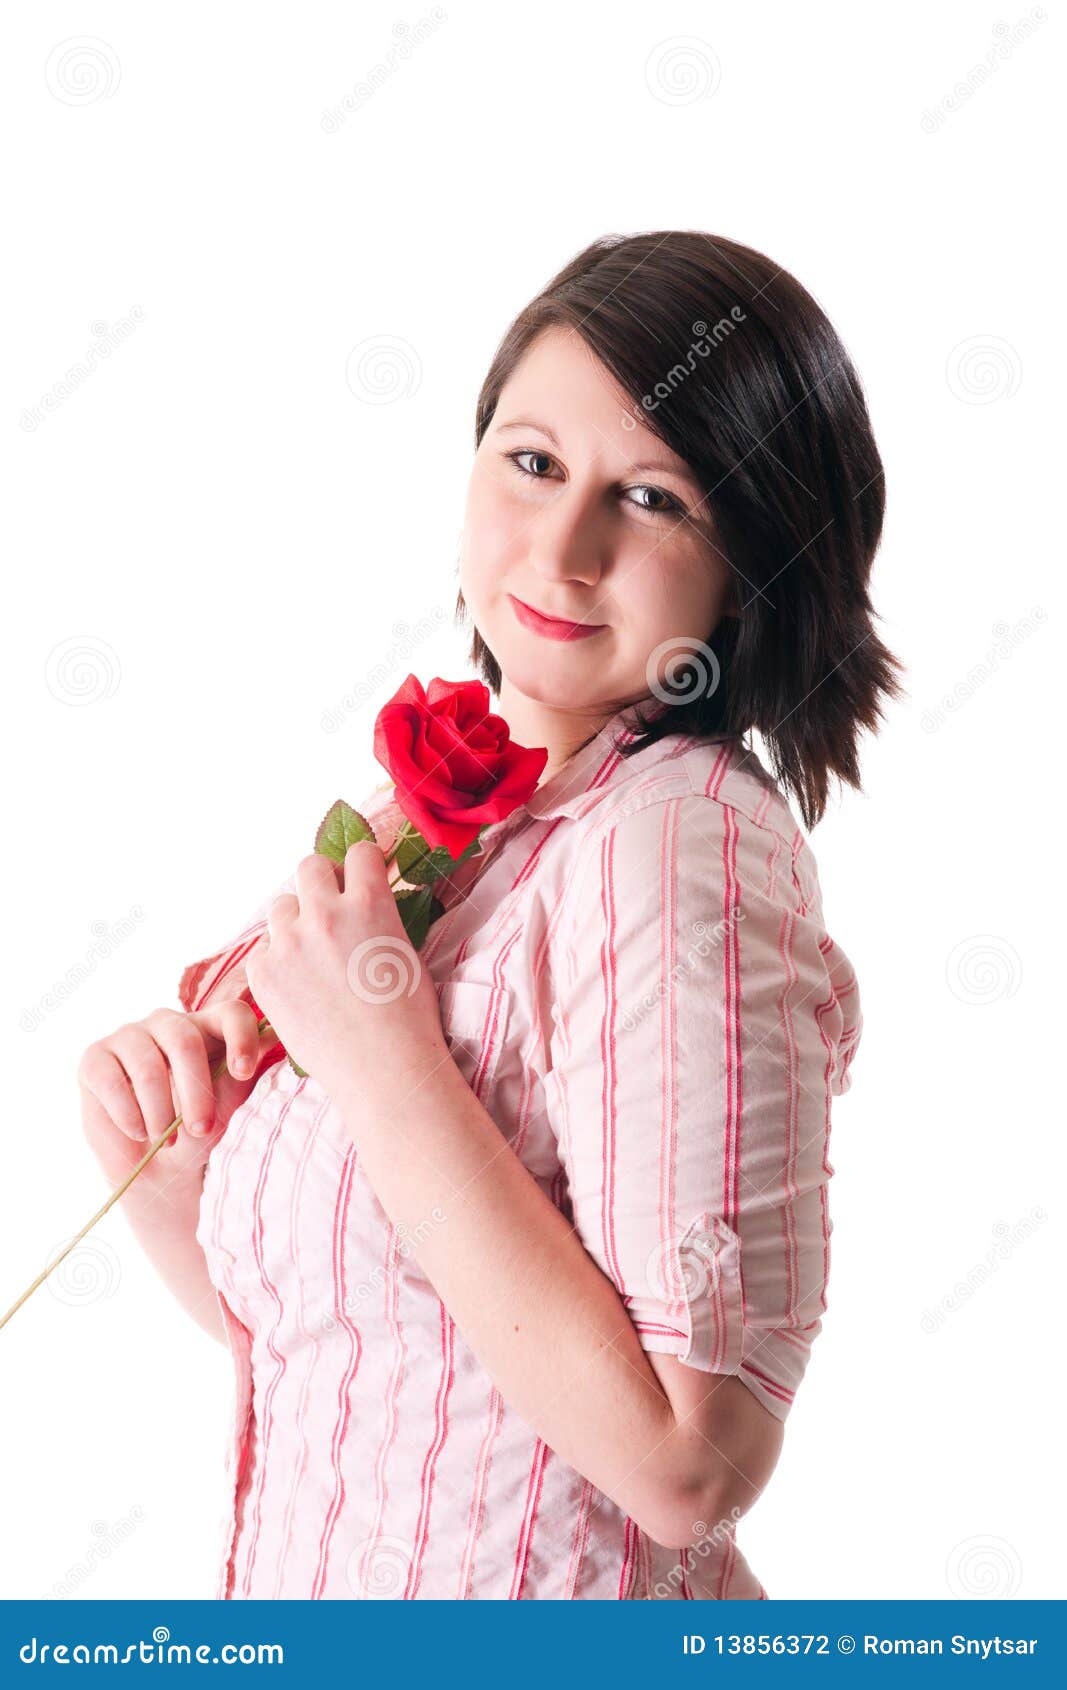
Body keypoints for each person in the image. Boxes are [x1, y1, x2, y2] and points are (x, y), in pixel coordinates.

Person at [78, 230, 904, 1600]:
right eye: (532, 462)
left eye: (652, 498)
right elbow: (381, 1363)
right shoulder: (437, 821)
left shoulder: (680, 844)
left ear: (755, 558)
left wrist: (380, 1055)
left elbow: (689, 1464)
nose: (565, 549)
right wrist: (170, 1168)